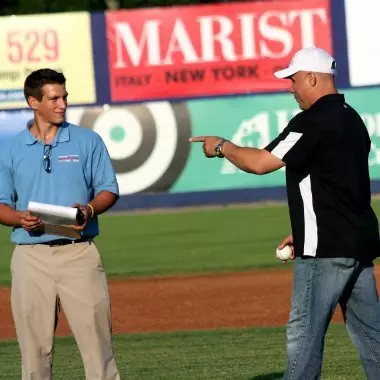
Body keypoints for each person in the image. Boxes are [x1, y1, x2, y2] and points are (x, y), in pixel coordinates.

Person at [190, 47, 380, 380]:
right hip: (358, 248)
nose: (290, 88)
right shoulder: (352, 119)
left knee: (303, 339)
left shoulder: (313, 121)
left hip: (325, 252)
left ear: (311, 77)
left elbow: (260, 163)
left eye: (293, 80)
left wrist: (223, 147)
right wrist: (305, 230)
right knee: (372, 340)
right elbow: (341, 188)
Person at [0, 68, 121, 380]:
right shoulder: (9, 149)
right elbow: (1, 206)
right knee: (34, 354)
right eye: (54, 98)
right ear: (33, 102)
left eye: (64, 96)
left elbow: (109, 189)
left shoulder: (87, 140)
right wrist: (19, 218)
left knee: (98, 349)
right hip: (30, 258)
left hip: (79, 254)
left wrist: (90, 209)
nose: (63, 104)